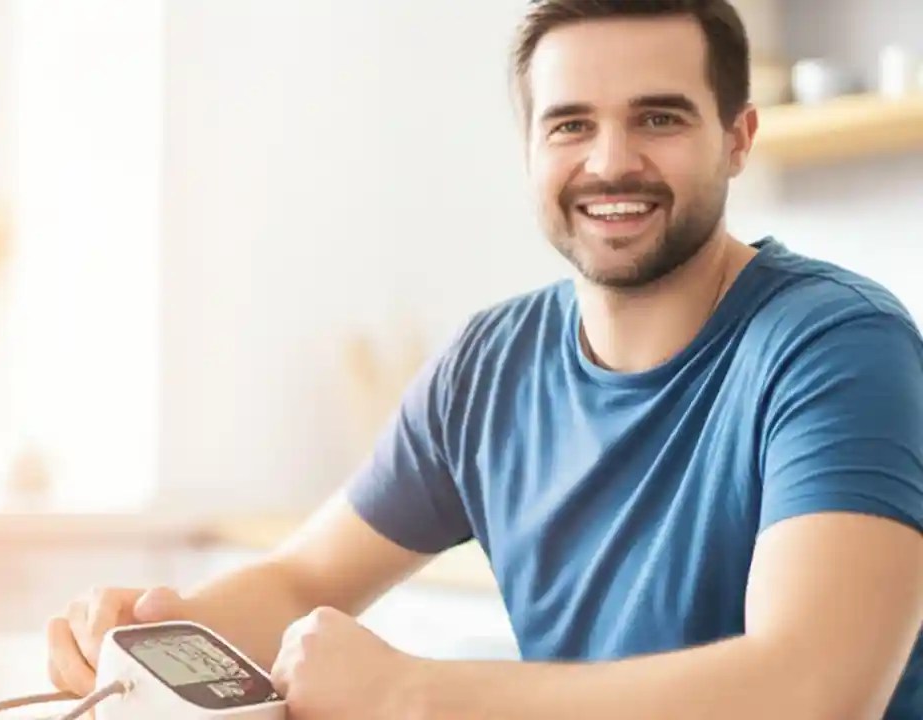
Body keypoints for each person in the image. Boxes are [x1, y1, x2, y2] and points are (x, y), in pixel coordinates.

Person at [47, 1, 923, 717]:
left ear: (738, 137)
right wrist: (157, 631)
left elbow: (810, 691)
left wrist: (410, 694)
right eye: (571, 124)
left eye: (658, 118)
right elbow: (303, 578)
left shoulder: (839, 347)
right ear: (530, 149)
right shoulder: (486, 368)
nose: (611, 162)